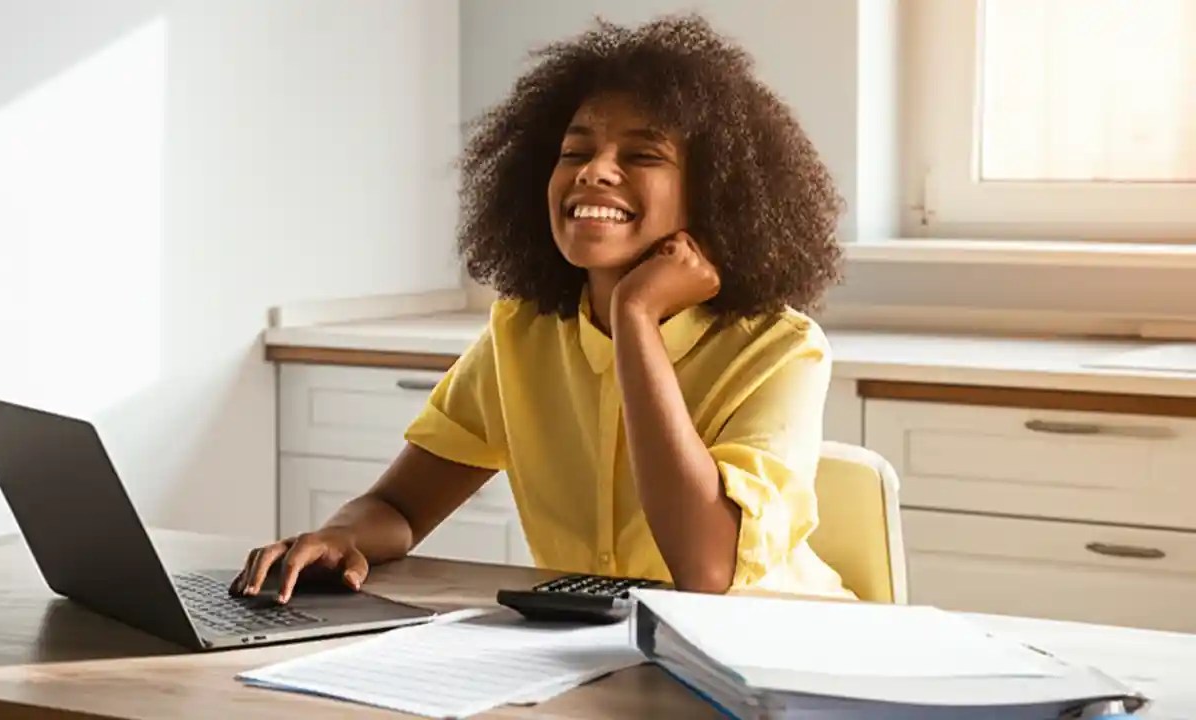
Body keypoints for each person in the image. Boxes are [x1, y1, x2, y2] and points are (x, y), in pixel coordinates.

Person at [231, 14, 850, 603]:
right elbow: (399, 508)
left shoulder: (781, 350)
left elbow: (707, 567)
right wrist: (341, 535)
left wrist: (636, 316)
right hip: (601, 660)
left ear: (716, 191)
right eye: (575, 152)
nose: (595, 172)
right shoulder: (521, 336)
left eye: (642, 155)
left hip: (775, 665)